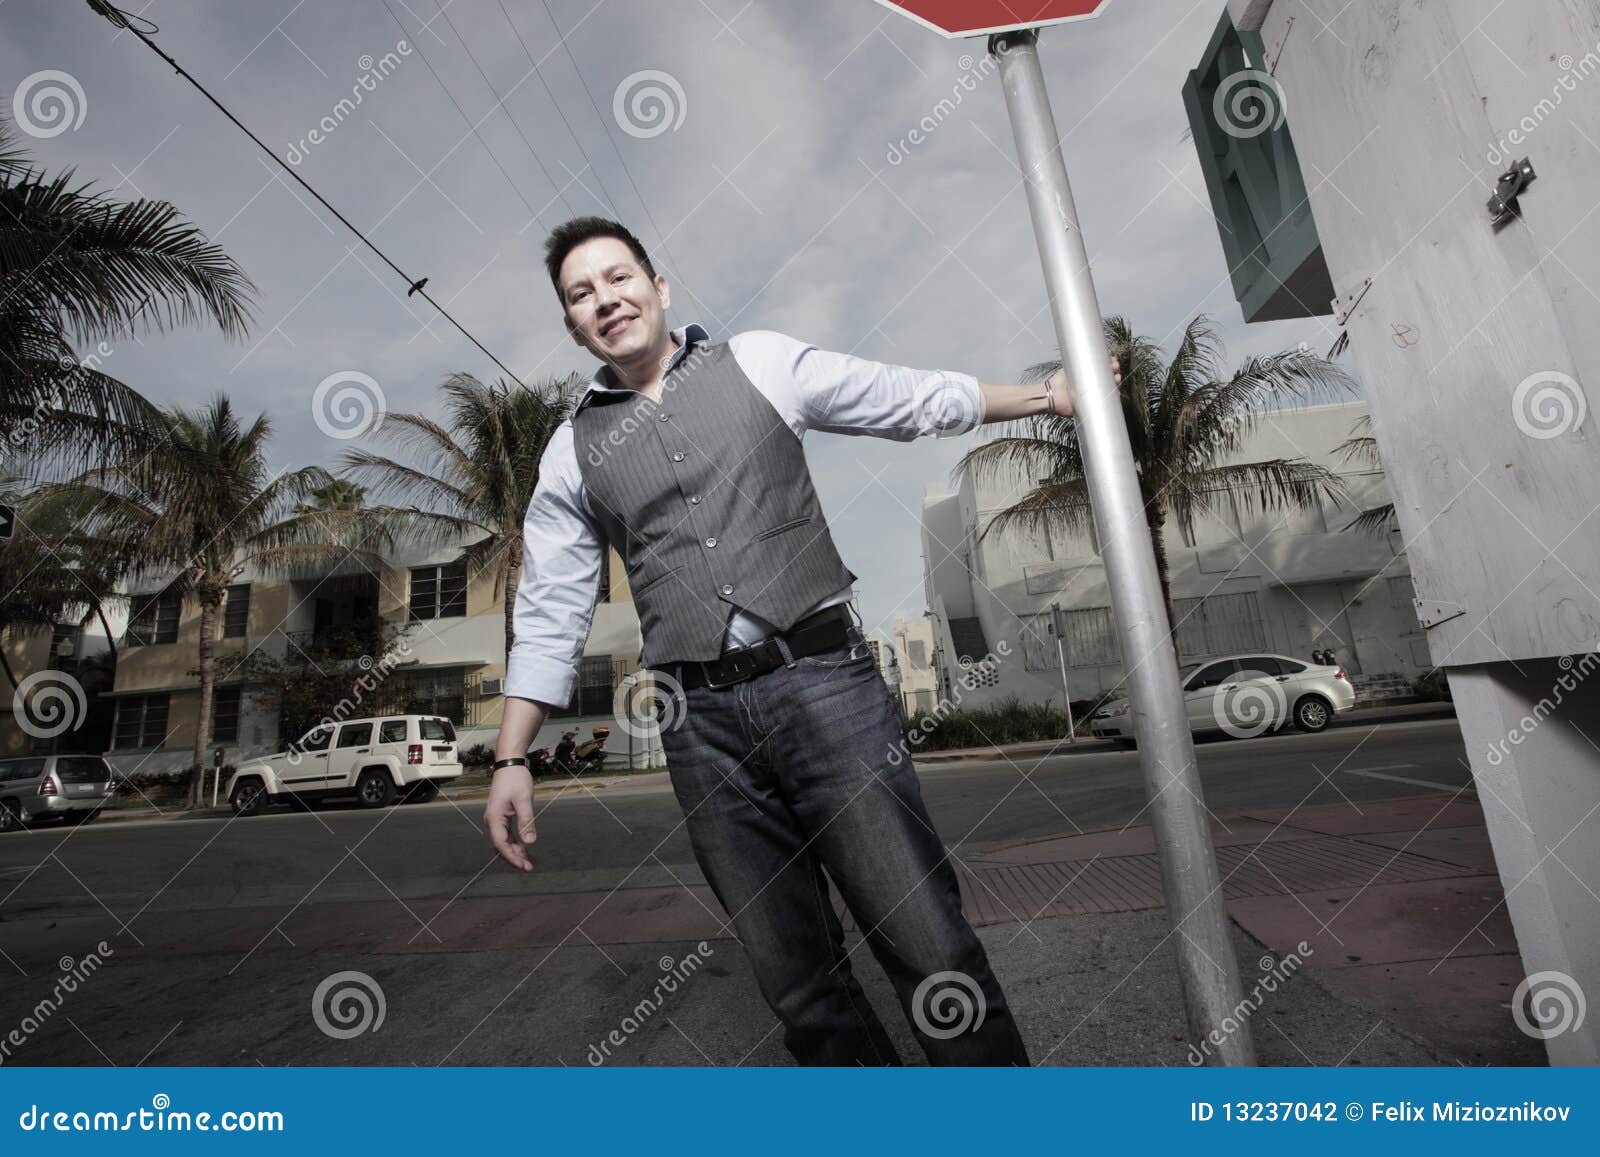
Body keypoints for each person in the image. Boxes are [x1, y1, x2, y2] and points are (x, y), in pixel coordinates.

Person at [485, 216, 1117, 1066]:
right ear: (572, 326)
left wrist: (1048, 396)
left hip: (823, 681)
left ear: (659, 286)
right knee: (800, 987)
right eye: (581, 295)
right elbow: (552, 604)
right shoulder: (571, 452)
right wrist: (512, 758)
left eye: (618, 277)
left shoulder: (762, 362)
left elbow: (902, 396)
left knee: (926, 941)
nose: (606, 299)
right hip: (697, 724)